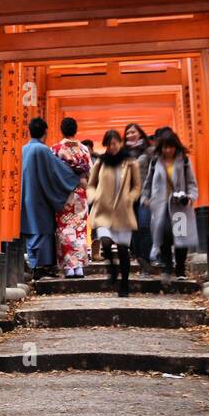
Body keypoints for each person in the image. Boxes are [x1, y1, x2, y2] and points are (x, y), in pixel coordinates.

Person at [19, 116, 82, 279]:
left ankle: (34, 265)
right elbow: (57, 169)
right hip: (40, 197)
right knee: (42, 230)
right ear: (45, 132)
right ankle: (42, 266)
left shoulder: (23, 149)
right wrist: (75, 176)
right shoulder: (42, 150)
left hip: (26, 194)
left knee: (31, 231)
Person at [86, 129, 141, 296]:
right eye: (109, 144)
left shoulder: (130, 162)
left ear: (120, 143)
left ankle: (124, 284)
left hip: (123, 211)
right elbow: (91, 184)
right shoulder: (100, 162)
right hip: (104, 209)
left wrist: (130, 198)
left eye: (115, 143)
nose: (112, 146)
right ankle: (111, 267)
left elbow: (137, 186)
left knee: (124, 250)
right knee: (106, 242)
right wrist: (94, 197)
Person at [145, 129, 199, 280]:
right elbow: (148, 182)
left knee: (180, 235)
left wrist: (191, 197)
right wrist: (146, 197)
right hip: (160, 204)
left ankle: (180, 268)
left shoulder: (184, 161)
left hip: (178, 204)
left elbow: (191, 183)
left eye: (170, 147)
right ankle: (168, 266)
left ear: (176, 146)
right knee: (164, 235)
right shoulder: (156, 161)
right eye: (164, 147)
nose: (167, 150)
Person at [50, 117, 93, 278]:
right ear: (76, 130)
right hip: (80, 193)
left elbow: (52, 173)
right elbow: (90, 172)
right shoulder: (83, 149)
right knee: (79, 230)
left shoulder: (55, 149)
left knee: (64, 229)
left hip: (63, 194)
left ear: (62, 130)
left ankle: (69, 267)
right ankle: (79, 267)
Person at [124, 122, 156, 274]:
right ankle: (139, 257)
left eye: (133, 132)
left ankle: (146, 260)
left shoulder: (149, 151)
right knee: (132, 229)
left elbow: (156, 172)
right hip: (128, 196)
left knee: (144, 226)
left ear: (140, 133)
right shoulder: (122, 153)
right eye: (128, 133)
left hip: (145, 194)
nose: (130, 135)